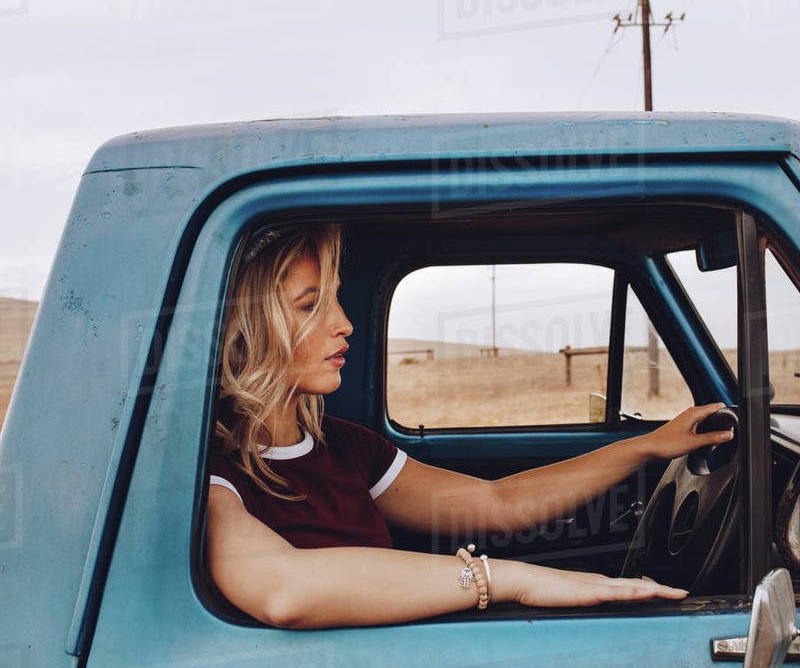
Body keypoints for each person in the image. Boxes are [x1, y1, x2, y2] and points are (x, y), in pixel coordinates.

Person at [205, 222, 736, 629]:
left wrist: (648, 447)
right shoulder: (209, 476)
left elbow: (496, 506)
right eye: (308, 307)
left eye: (336, 298)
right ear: (248, 328)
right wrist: (507, 580)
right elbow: (284, 591)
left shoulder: (345, 448)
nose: (343, 323)